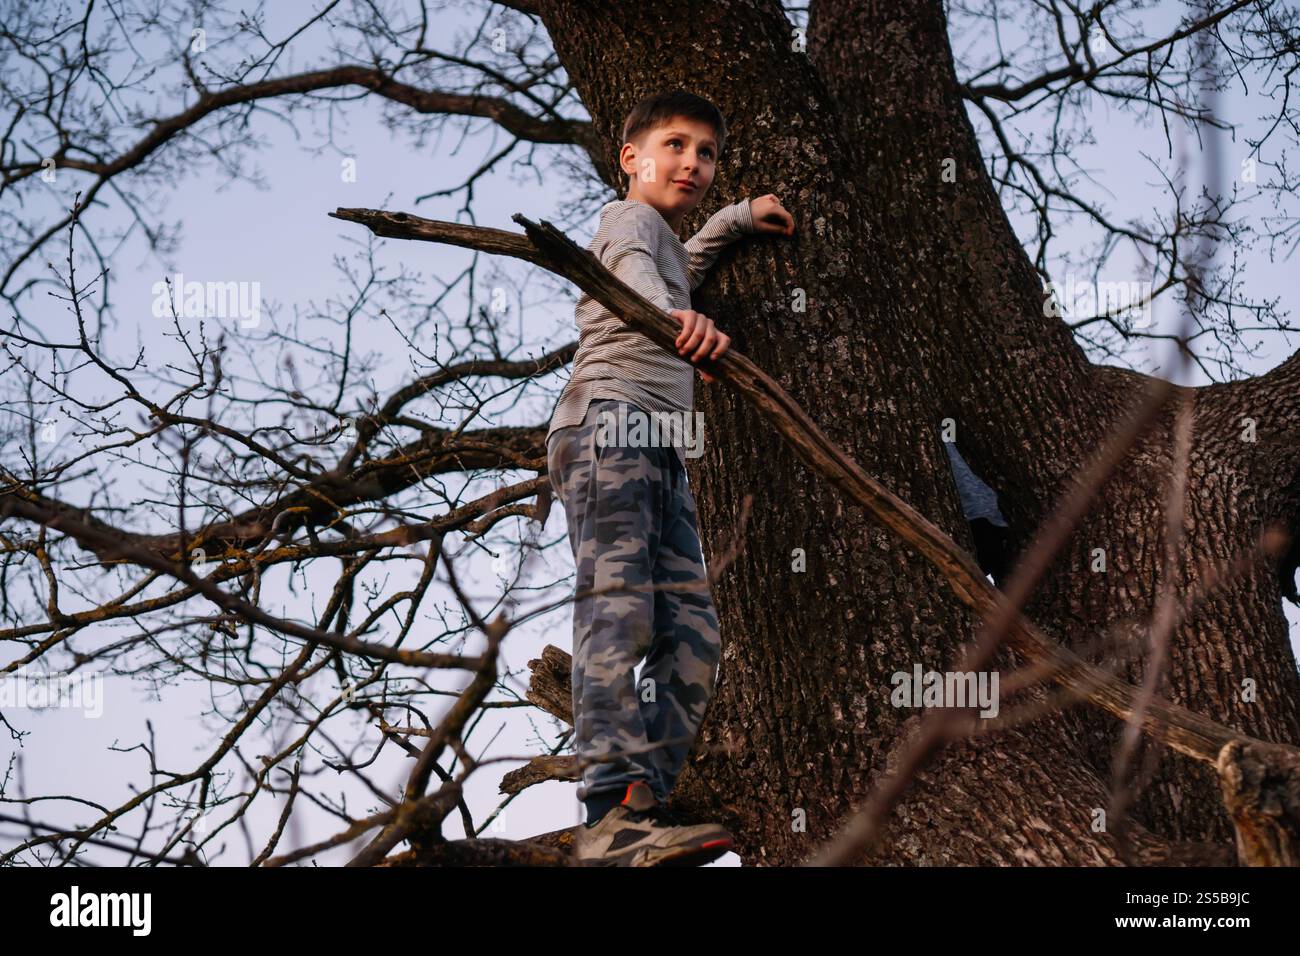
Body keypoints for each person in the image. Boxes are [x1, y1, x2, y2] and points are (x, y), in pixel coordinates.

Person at [545, 90, 795, 866]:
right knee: (618, 605)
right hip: (607, 424)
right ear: (631, 158)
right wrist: (679, 327)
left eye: (707, 153)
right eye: (676, 145)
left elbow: (677, 271)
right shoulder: (628, 223)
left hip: (658, 445)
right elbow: (638, 277)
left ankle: (643, 801)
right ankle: (609, 805)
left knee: (692, 633)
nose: (692, 163)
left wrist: (736, 219)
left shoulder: (662, 241)